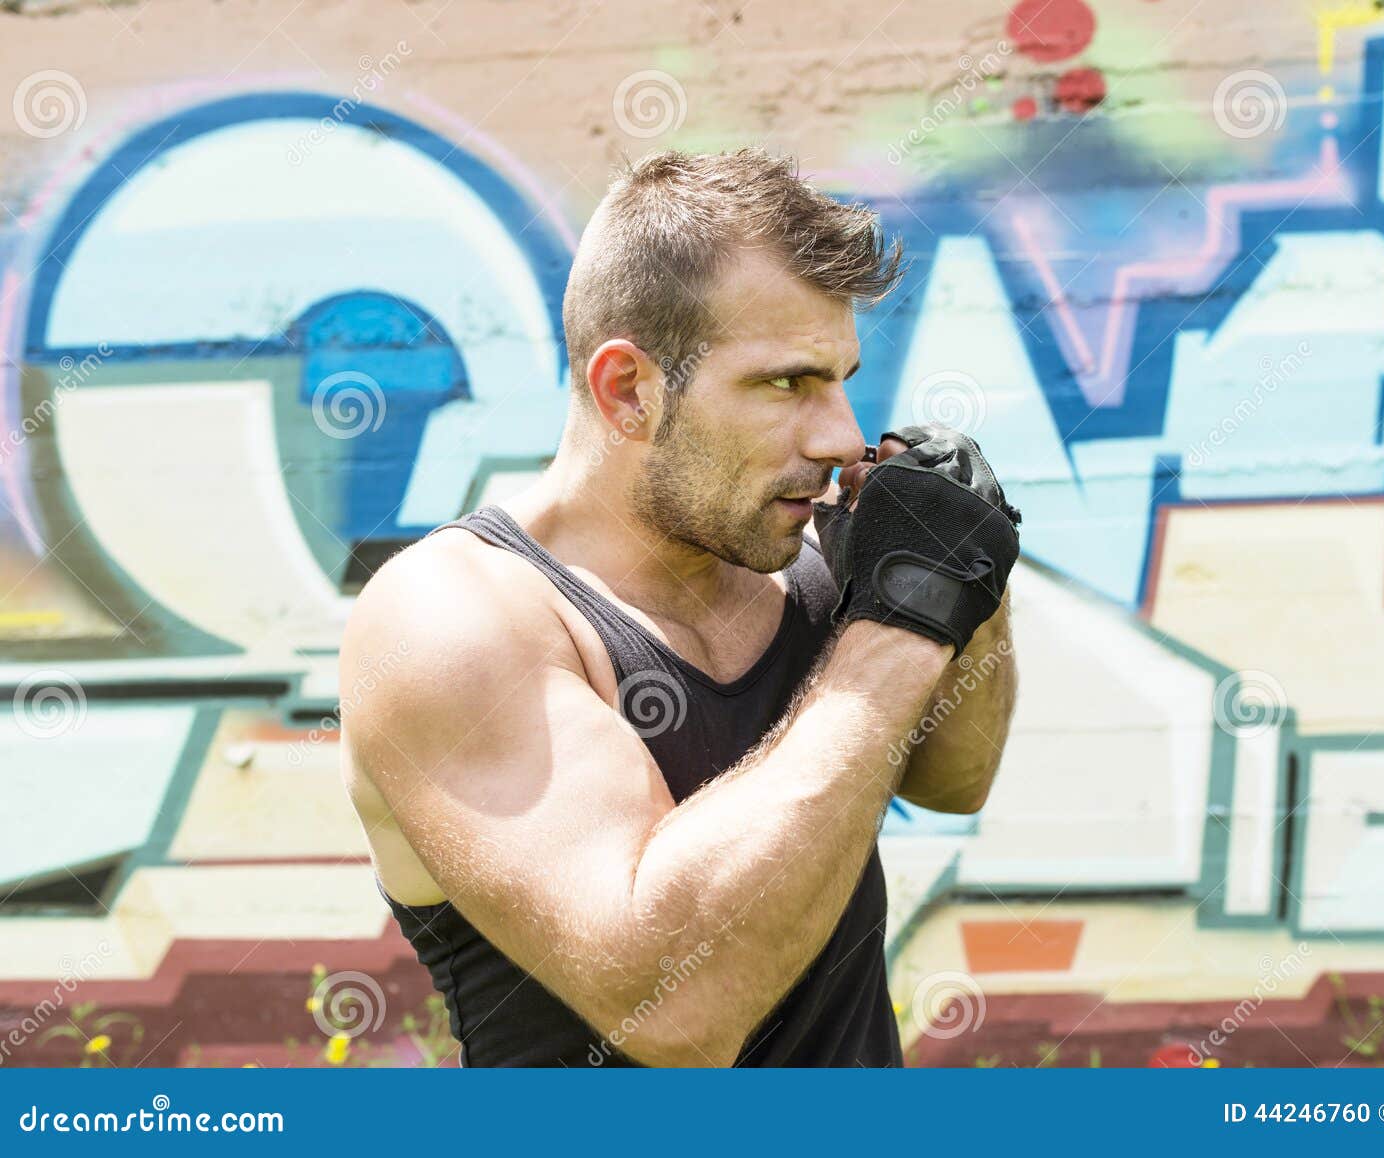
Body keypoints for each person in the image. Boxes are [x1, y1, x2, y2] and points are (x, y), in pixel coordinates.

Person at [339, 147, 1023, 1067]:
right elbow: (675, 1010)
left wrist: (972, 585)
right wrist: (903, 627)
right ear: (630, 391)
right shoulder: (455, 618)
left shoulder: (808, 561)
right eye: (786, 382)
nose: (842, 435)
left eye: (842, 375)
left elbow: (952, 781)